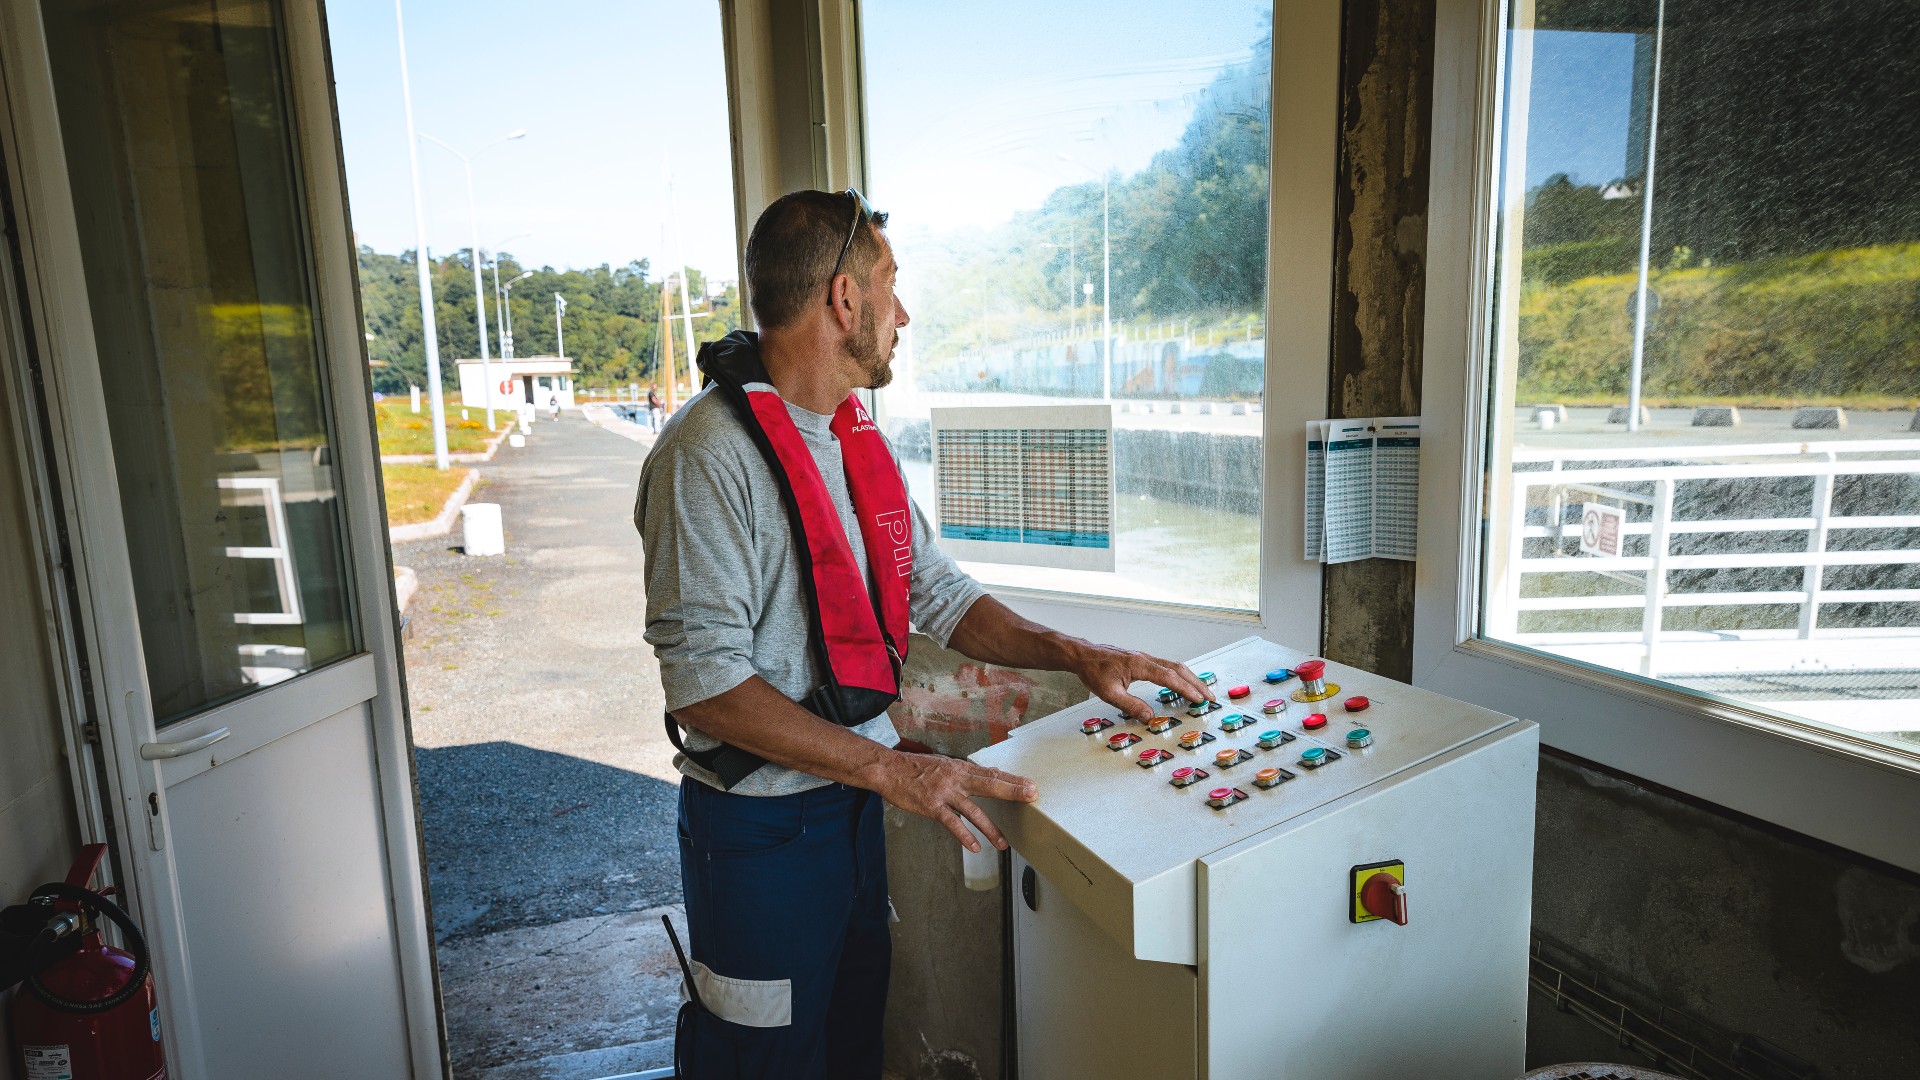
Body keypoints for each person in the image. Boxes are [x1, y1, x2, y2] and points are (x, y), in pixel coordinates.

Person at [634, 187, 1208, 1080]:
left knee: (857, 1036)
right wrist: (897, 768)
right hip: (760, 840)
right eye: (890, 287)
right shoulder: (703, 458)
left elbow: (934, 593)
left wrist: (1078, 653)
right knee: (759, 1060)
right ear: (843, 300)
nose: (904, 314)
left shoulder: (854, 438)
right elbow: (705, 684)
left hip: (857, 813)